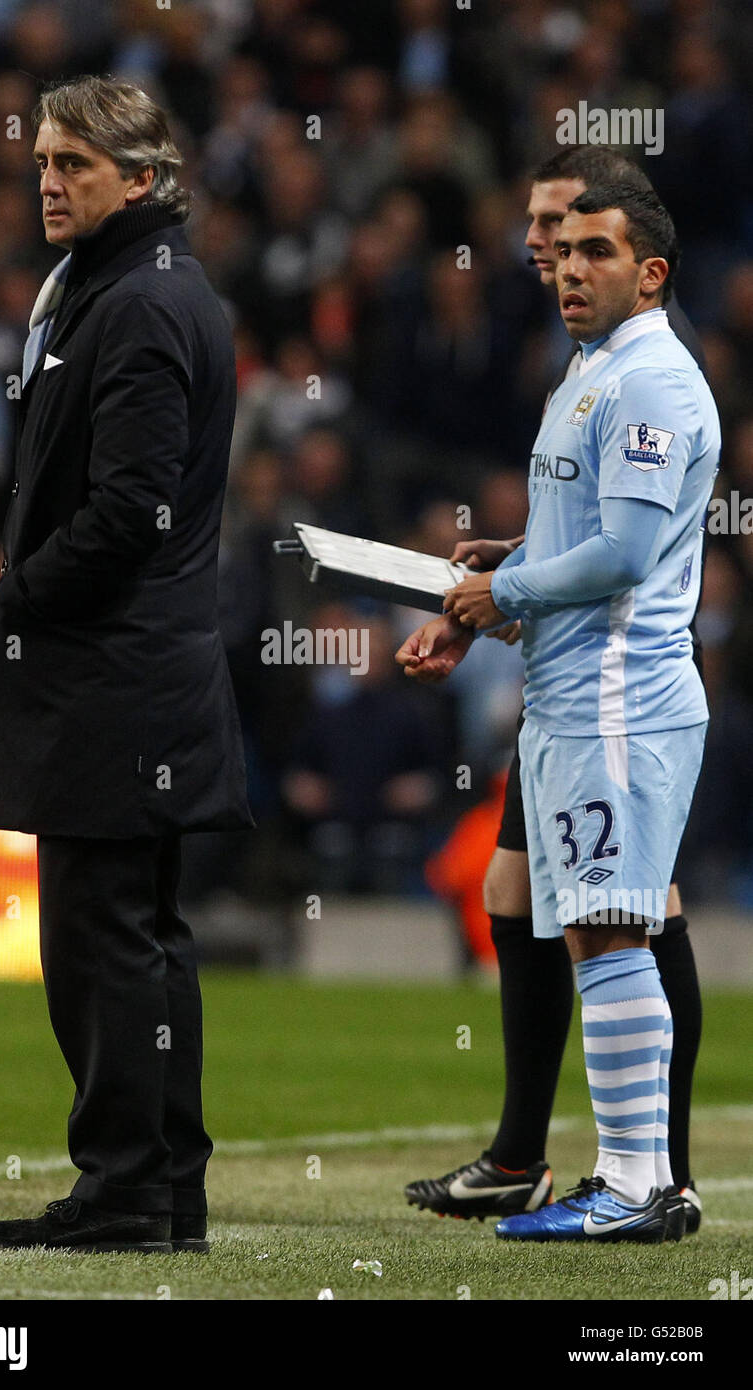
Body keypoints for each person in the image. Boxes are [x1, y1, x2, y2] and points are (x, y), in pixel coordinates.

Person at [0, 76, 252, 1254]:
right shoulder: (128, 289)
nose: (51, 182)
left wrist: (16, 588)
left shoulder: (138, 306)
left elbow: (130, 511)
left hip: (119, 678)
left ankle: (133, 1186)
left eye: (77, 165)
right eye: (46, 161)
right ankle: (156, 1186)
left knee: (103, 935)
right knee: (132, 933)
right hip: (129, 674)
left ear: (144, 179)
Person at [403, 182, 718, 1241]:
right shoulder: (595, 371)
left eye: (594, 250)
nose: (567, 267)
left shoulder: (653, 382)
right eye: (562, 249)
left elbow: (629, 554)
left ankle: (637, 1185)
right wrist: (509, 566)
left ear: (650, 271)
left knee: (612, 927)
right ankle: (631, 1179)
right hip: (572, 701)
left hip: (618, 704)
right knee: (593, 927)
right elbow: (588, 533)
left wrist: (511, 592)